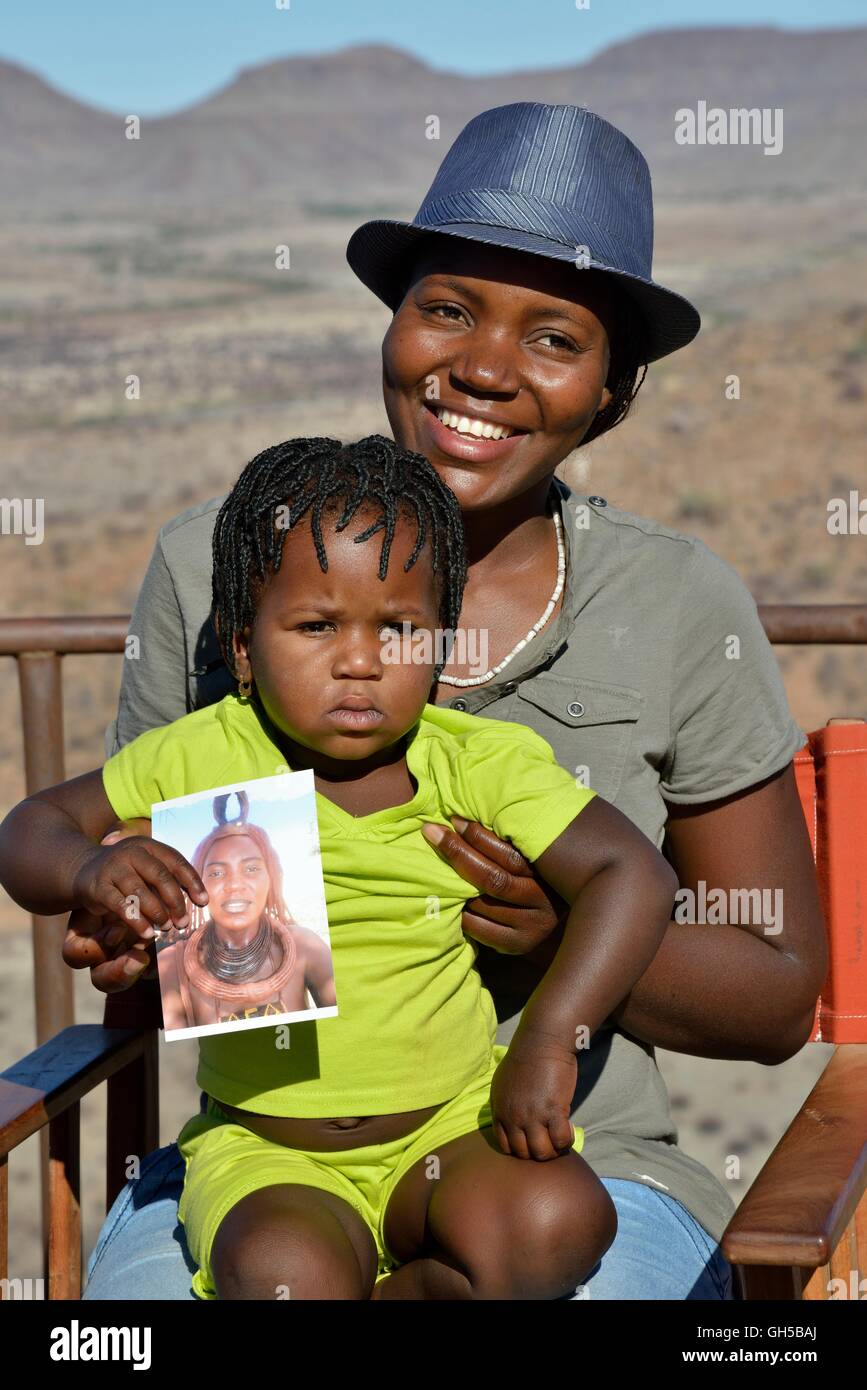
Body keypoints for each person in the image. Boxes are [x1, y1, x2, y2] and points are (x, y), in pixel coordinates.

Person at [65, 102, 826, 1300]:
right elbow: (159, 912)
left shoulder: (678, 604)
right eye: (448, 308)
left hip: (568, 1157)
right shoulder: (216, 567)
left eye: (556, 337)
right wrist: (136, 927)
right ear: (394, 321)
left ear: (614, 394)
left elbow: (780, 991)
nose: (482, 366)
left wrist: (571, 935)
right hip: (268, 1161)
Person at [0, 435, 681, 1299]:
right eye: (316, 626)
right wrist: (90, 869)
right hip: (271, 1154)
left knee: (558, 1223)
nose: (359, 661)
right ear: (243, 649)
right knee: (288, 1276)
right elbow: (30, 829)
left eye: (397, 630)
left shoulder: (475, 763)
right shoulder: (202, 755)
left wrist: (549, 1039)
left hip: (449, 1133)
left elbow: (633, 875)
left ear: (439, 644)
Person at [156, 790, 336, 1031]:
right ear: (198, 886)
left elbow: (348, 1028)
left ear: (271, 878)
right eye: (217, 873)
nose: (234, 885)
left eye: (251, 869)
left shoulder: (305, 946)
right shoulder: (171, 965)